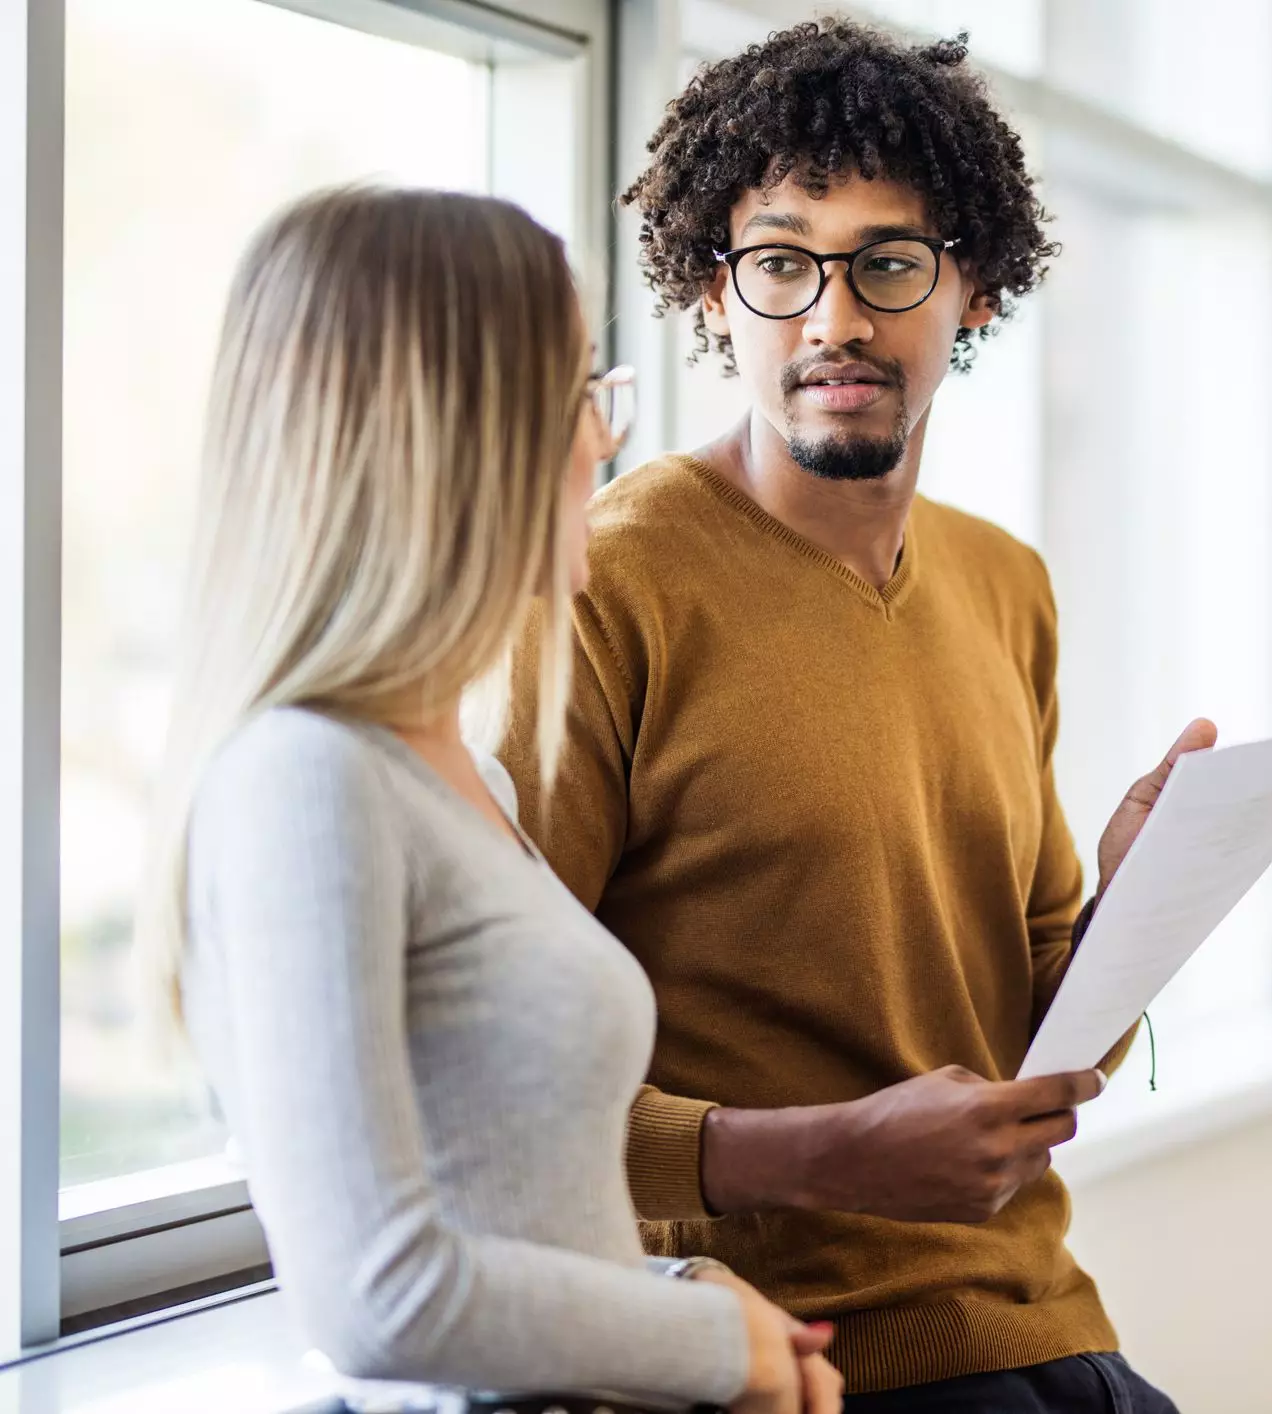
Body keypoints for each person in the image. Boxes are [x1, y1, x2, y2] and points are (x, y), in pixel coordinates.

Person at [496, 20, 1212, 1413]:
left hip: (1035, 1313)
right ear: (715, 297)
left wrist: (1137, 907)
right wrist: (827, 1150)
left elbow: (1024, 1051)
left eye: (888, 263)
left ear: (976, 293)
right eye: (780, 263)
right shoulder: (608, 584)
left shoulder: (1007, 584)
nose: (834, 319)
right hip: (787, 1353)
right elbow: (500, 1087)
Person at [149, 186, 841, 1414]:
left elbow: (519, 1196)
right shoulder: (307, 779)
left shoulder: (468, 777)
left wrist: (693, 1289)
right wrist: (706, 1340)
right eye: (578, 395)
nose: (603, 439)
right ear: (457, 436)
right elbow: (377, 1295)